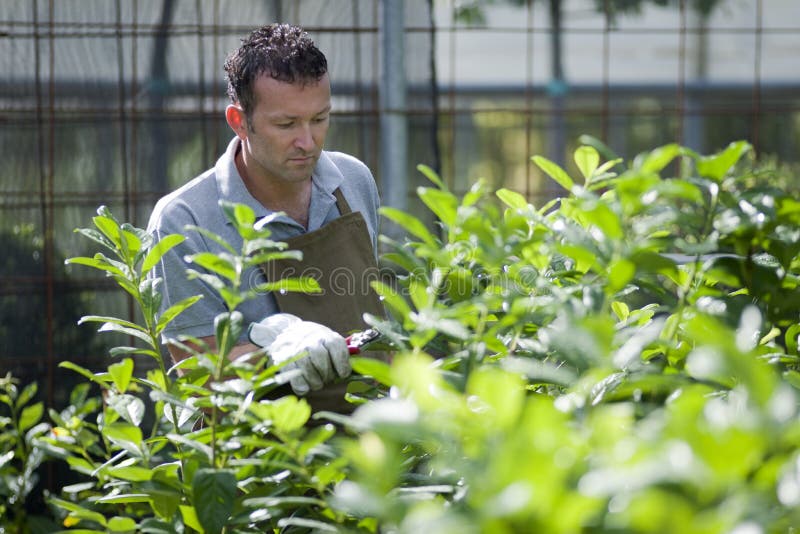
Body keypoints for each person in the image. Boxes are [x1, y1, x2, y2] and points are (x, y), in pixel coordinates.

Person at [147, 23, 385, 413]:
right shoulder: (184, 221)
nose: (308, 142)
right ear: (239, 121)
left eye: (320, 119)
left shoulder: (354, 181)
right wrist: (274, 356)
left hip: (369, 433)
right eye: (286, 124)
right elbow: (201, 381)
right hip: (260, 444)